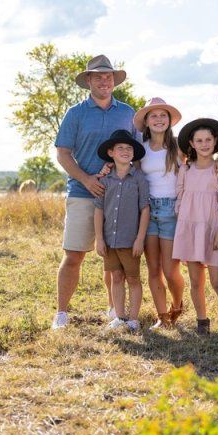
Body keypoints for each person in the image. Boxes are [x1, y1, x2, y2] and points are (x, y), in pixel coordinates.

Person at [52, 55, 136, 330]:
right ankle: (62, 314)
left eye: (108, 76)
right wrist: (86, 179)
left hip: (118, 195)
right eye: (98, 76)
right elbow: (63, 154)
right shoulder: (75, 114)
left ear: (114, 80)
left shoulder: (128, 113)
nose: (104, 81)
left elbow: (137, 153)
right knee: (74, 255)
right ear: (88, 80)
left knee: (114, 258)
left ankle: (114, 309)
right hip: (82, 192)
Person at [172, 118, 218, 334]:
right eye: (199, 140)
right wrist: (183, 228)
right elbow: (180, 198)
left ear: (215, 141)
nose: (204, 144)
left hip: (213, 228)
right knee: (195, 281)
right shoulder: (185, 169)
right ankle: (202, 322)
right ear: (192, 143)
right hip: (190, 228)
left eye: (208, 139)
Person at [133, 97, 187, 329]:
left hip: (171, 210)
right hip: (147, 209)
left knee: (170, 269)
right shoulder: (141, 149)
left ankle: (177, 305)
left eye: (162, 115)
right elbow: (135, 176)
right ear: (146, 121)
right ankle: (162, 317)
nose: (158, 119)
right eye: (153, 115)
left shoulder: (178, 146)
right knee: (153, 269)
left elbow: (197, 165)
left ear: (169, 120)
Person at [93, 129, 151, 331]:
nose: (125, 151)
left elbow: (145, 209)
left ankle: (133, 319)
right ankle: (120, 317)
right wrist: (99, 238)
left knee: (133, 278)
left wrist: (140, 239)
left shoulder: (139, 178)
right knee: (116, 277)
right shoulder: (104, 180)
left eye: (129, 148)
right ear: (111, 153)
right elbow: (99, 210)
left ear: (133, 153)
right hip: (109, 239)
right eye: (120, 148)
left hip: (130, 239)